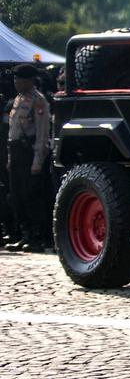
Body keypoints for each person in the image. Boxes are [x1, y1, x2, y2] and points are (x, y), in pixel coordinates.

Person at [4, 65, 50, 252]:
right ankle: (25, 234)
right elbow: (12, 132)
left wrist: (37, 161)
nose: (16, 83)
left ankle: (37, 238)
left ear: (29, 80)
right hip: (16, 152)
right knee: (17, 196)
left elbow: (42, 133)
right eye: (15, 79)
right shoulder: (18, 99)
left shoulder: (38, 101)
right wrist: (9, 158)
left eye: (20, 79)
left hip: (28, 152)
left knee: (32, 197)